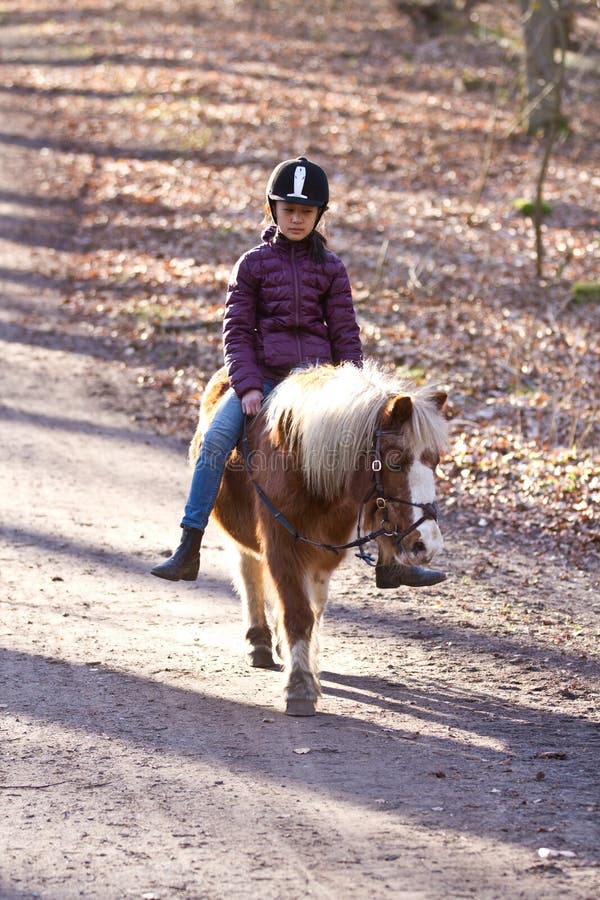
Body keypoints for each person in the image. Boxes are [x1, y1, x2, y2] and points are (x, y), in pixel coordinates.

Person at [151, 156, 444, 587]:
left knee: (376, 452)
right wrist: (248, 385)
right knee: (214, 440)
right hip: (265, 378)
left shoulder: (331, 268)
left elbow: (345, 332)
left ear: (318, 217)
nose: (296, 219)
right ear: (274, 211)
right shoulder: (251, 265)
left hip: (319, 389)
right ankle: (189, 543)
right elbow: (236, 331)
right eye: (289, 211)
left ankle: (389, 559)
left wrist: (355, 392)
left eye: (306, 212)